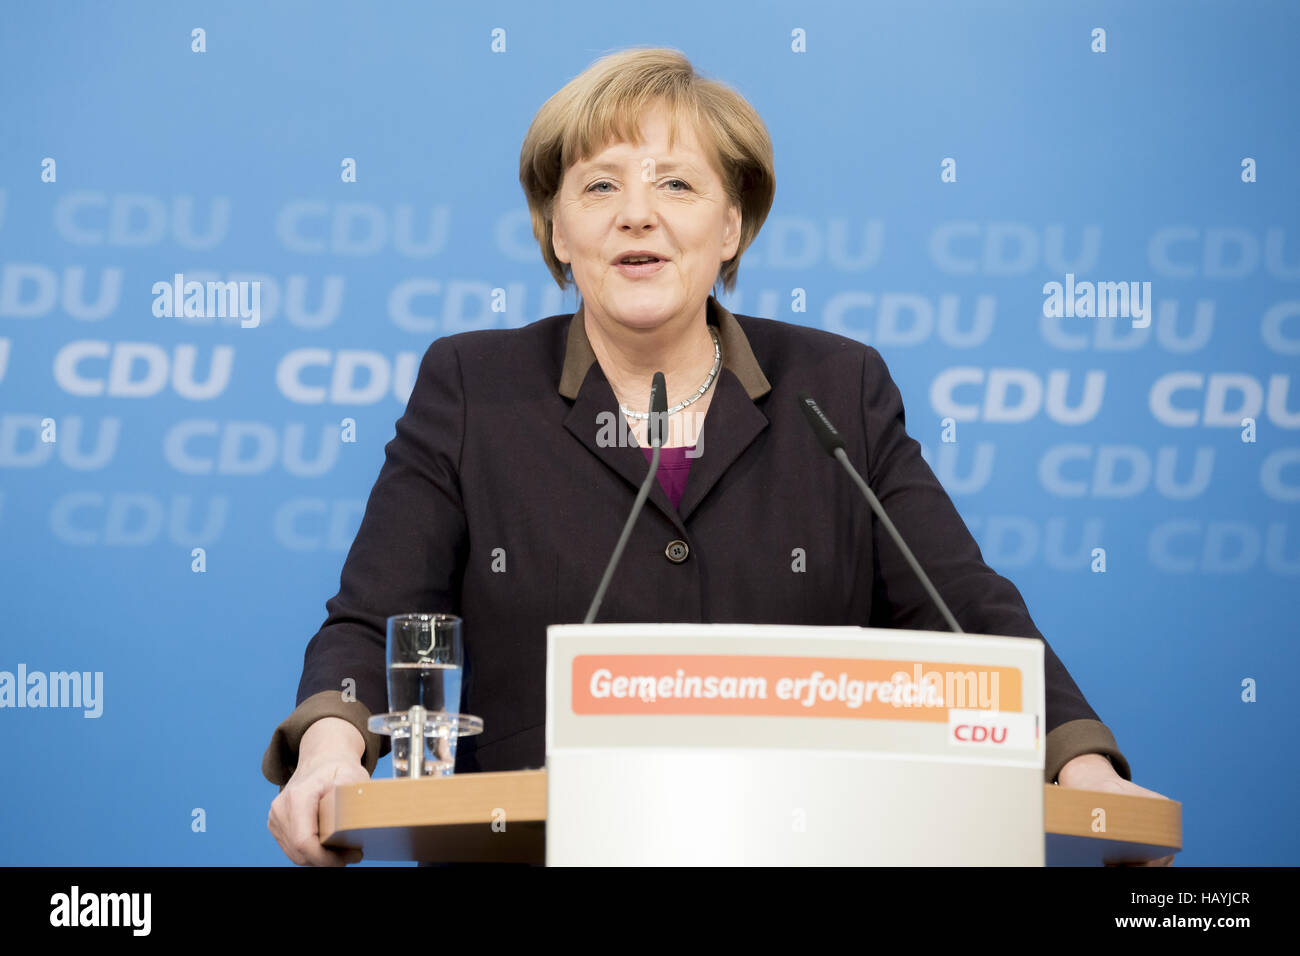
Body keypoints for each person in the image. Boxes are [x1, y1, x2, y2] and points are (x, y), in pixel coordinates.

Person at [265, 47, 1172, 866]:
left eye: (676, 185)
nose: (637, 217)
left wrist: (1082, 769)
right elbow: (372, 618)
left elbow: (963, 608)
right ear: (557, 233)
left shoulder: (838, 388)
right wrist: (332, 748)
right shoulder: (473, 384)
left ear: (731, 229)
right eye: (600, 187)